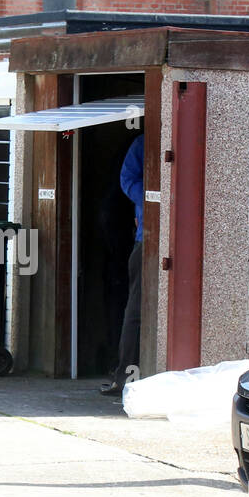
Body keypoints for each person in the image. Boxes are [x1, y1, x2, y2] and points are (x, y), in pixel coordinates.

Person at [103, 132, 144, 398]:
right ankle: (125, 377)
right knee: (136, 311)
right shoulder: (144, 143)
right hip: (146, 242)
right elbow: (127, 179)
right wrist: (154, 200)